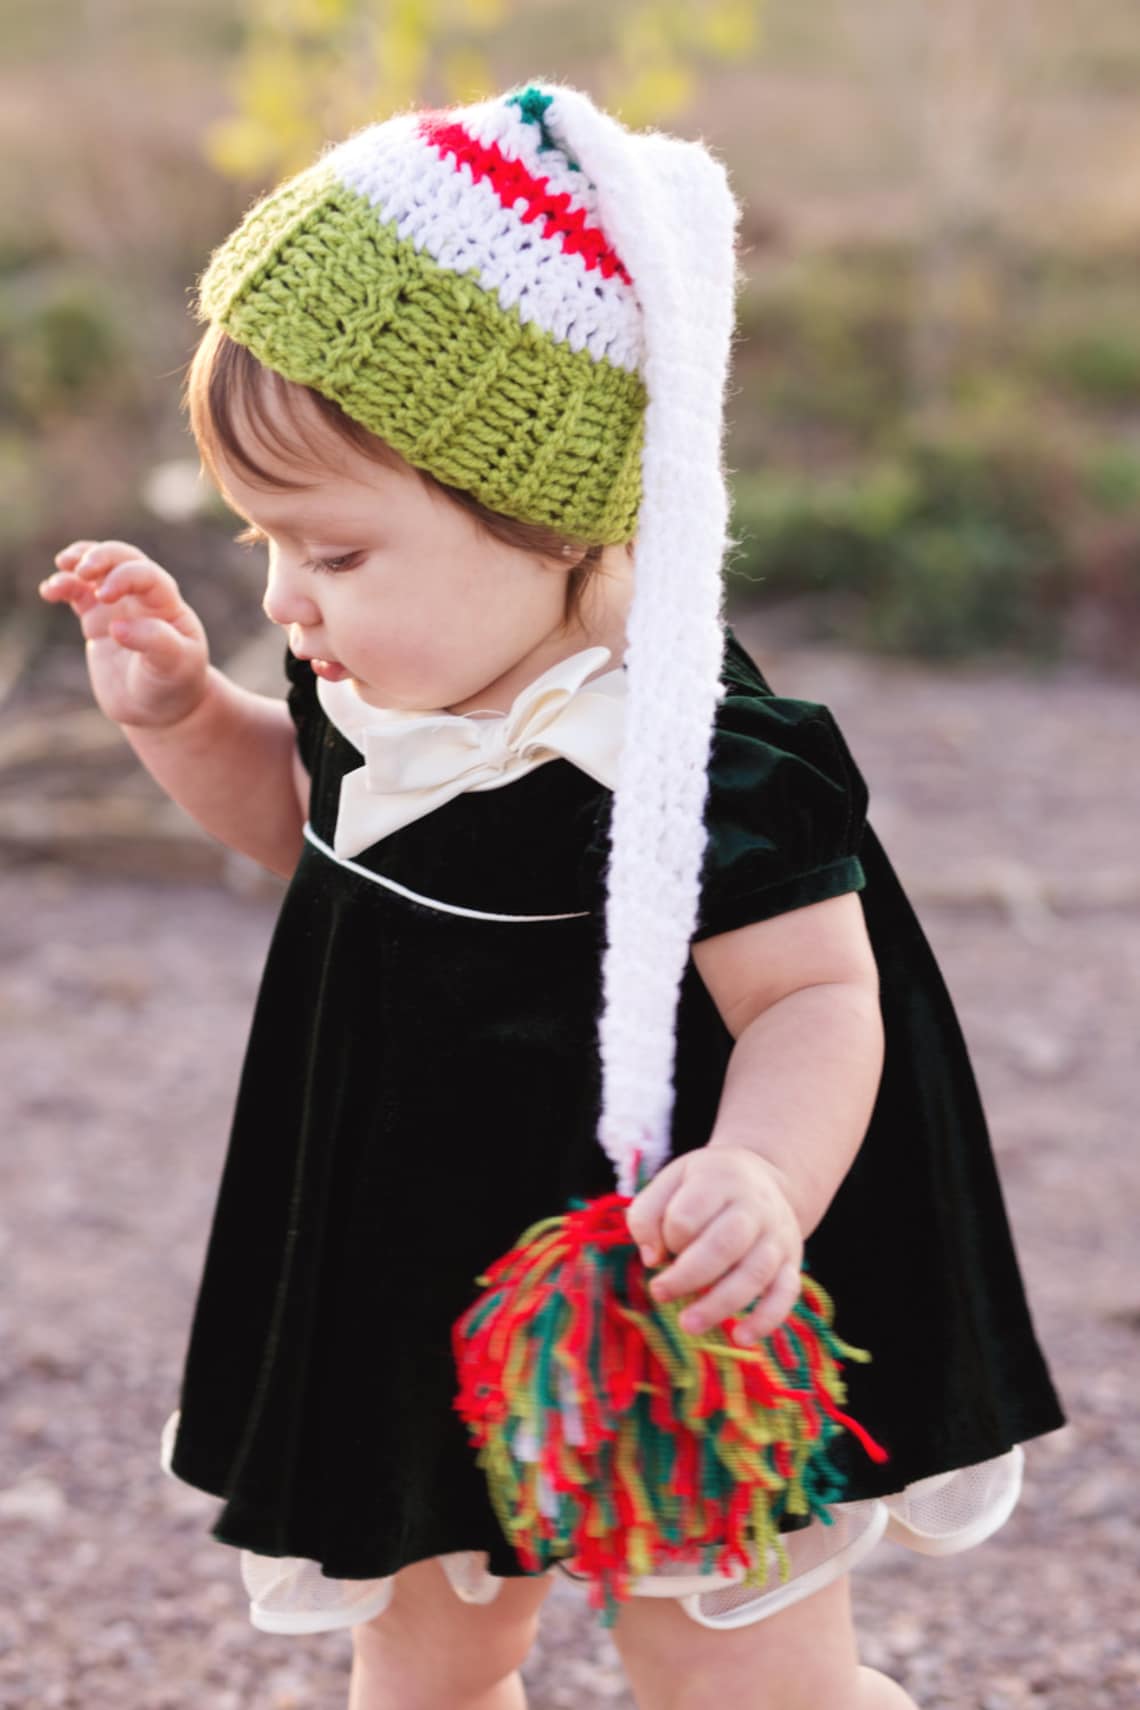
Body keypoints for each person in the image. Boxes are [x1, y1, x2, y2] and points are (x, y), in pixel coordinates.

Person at [39, 79, 1066, 1710]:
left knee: (729, 1657)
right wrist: (183, 718)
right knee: (430, 1640)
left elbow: (814, 996)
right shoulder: (378, 692)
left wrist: (765, 1177)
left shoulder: (701, 762)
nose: (287, 600)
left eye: (339, 553)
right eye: (261, 542)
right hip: (414, 1257)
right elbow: (311, 828)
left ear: (556, 518)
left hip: (670, 1279)